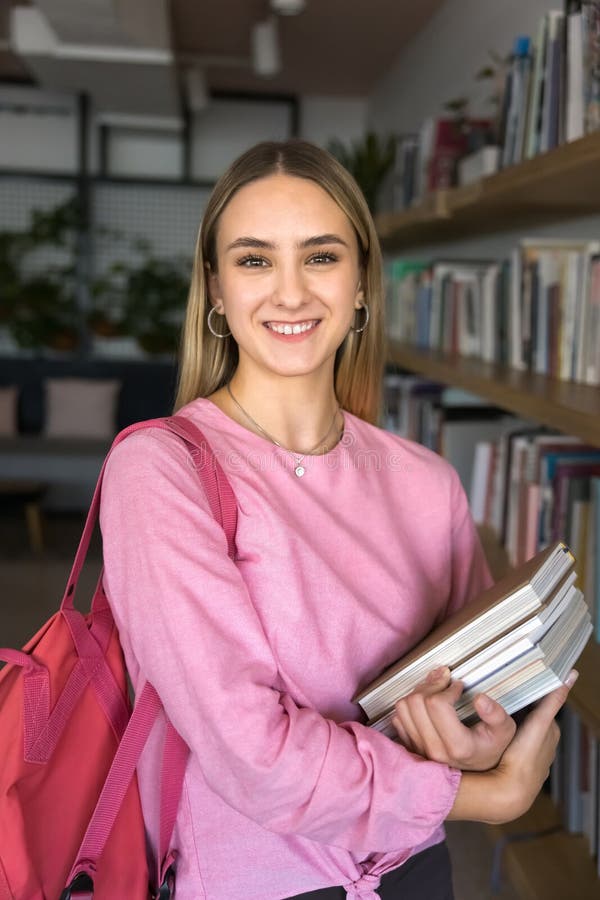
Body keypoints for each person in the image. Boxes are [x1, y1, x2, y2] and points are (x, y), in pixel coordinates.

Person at [99, 139, 575, 900]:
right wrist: (485, 795)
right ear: (216, 290)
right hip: (258, 886)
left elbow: (481, 684)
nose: (289, 293)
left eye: (320, 257)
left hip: (414, 867)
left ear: (359, 284)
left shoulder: (427, 482)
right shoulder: (161, 470)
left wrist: (489, 737)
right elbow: (251, 753)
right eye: (254, 260)